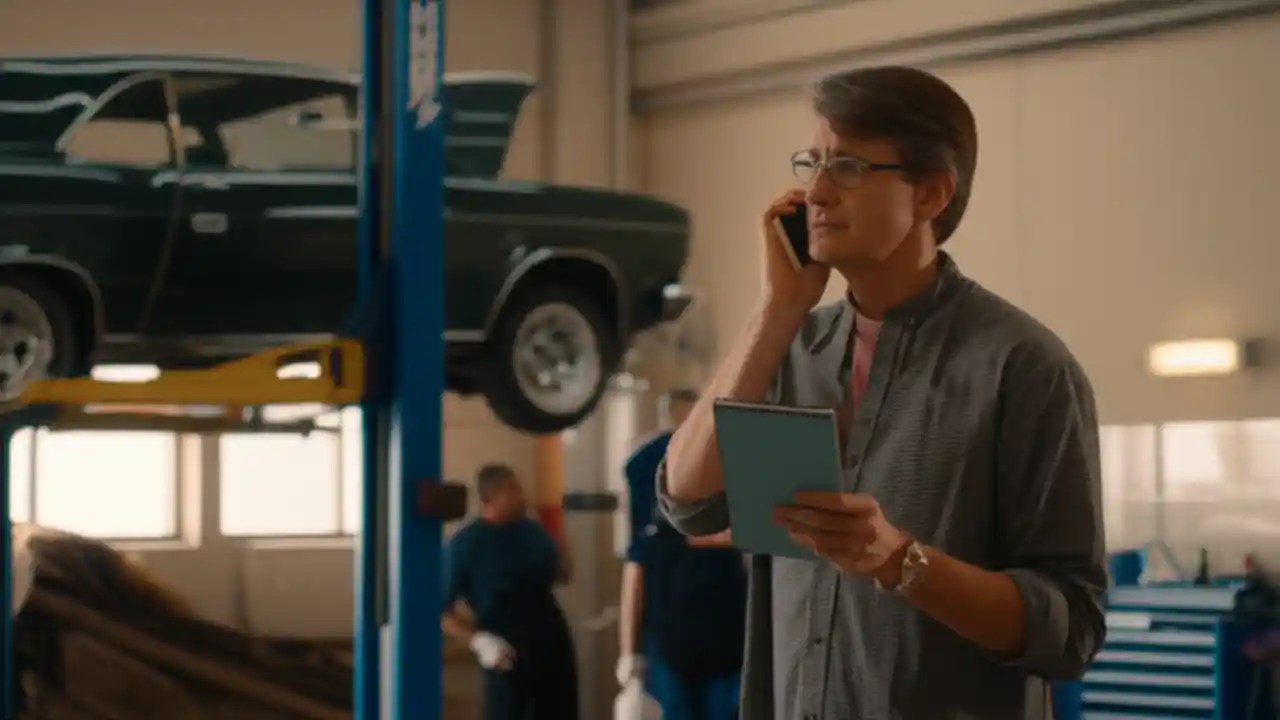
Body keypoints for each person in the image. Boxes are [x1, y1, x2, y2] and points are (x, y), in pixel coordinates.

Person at [657, 65, 1108, 719]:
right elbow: (687, 504)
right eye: (811, 162)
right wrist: (776, 310)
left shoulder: (1024, 370)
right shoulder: (791, 351)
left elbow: (1073, 628)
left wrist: (902, 562)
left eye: (846, 168)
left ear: (930, 194)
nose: (813, 191)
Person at [618, 389, 747, 720]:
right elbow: (636, 569)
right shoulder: (646, 468)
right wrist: (629, 653)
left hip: (725, 638)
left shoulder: (731, 454)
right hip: (670, 642)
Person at [442, 463, 578, 720]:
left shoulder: (533, 532)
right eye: (512, 489)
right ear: (490, 497)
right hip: (505, 647)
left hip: (551, 639)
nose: (521, 495)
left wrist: (560, 532)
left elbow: (563, 575)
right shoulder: (466, 544)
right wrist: (479, 642)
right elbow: (441, 612)